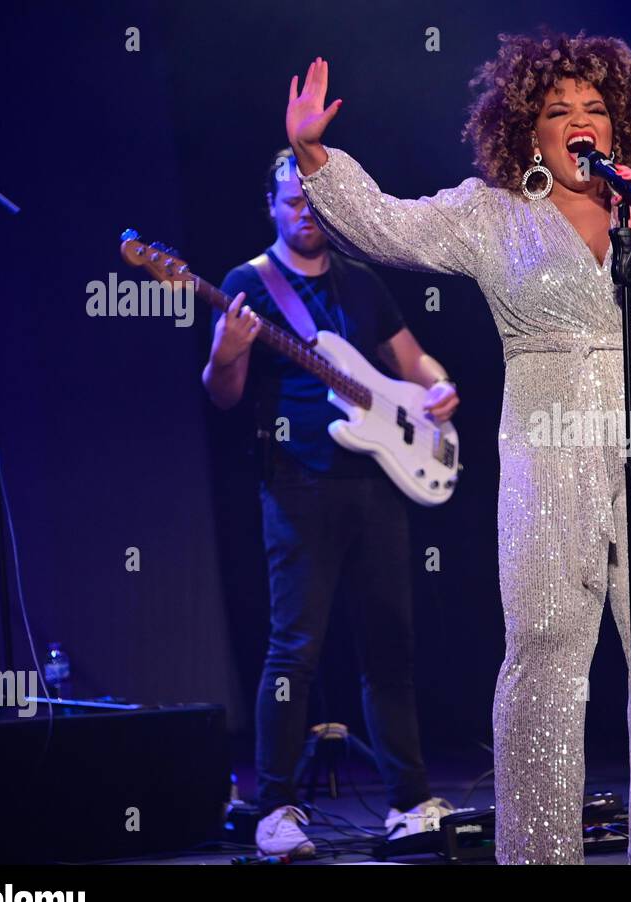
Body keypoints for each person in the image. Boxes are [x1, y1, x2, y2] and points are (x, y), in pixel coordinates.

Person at [286, 34, 631, 863]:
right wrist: (313, 153)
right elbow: (385, 227)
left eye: (595, 109)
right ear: (528, 130)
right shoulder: (493, 213)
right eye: (558, 109)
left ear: (621, 123)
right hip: (548, 449)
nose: (579, 122)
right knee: (544, 654)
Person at [202, 147, 460, 857]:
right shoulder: (244, 283)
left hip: (377, 482)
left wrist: (437, 389)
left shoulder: (363, 282)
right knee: (295, 650)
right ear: (271, 207)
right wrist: (227, 350)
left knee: (390, 650)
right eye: (291, 202)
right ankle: (277, 809)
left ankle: (409, 802)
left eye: (314, 202)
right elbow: (222, 396)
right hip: (297, 481)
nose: (304, 213)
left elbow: (414, 363)